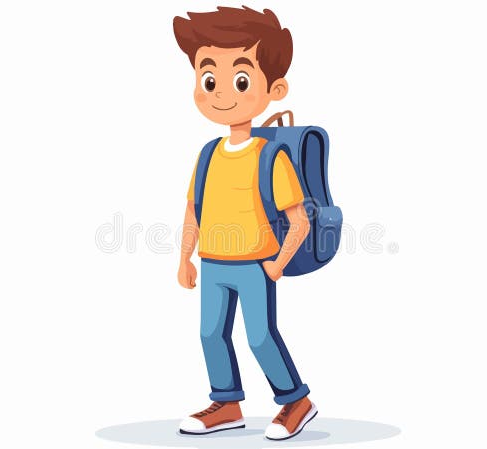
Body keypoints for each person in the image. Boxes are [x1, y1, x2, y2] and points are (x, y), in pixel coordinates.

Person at [173, 6, 317, 441]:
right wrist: (184, 258)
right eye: (208, 79)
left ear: (274, 88)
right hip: (213, 262)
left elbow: (300, 221)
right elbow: (192, 209)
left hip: (255, 263)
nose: (220, 94)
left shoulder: (270, 157)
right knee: (210, 334)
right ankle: (227, 402)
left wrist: (275, 265)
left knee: (259, 337)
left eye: (239, 81)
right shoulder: (207, 153)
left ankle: (296, 401)